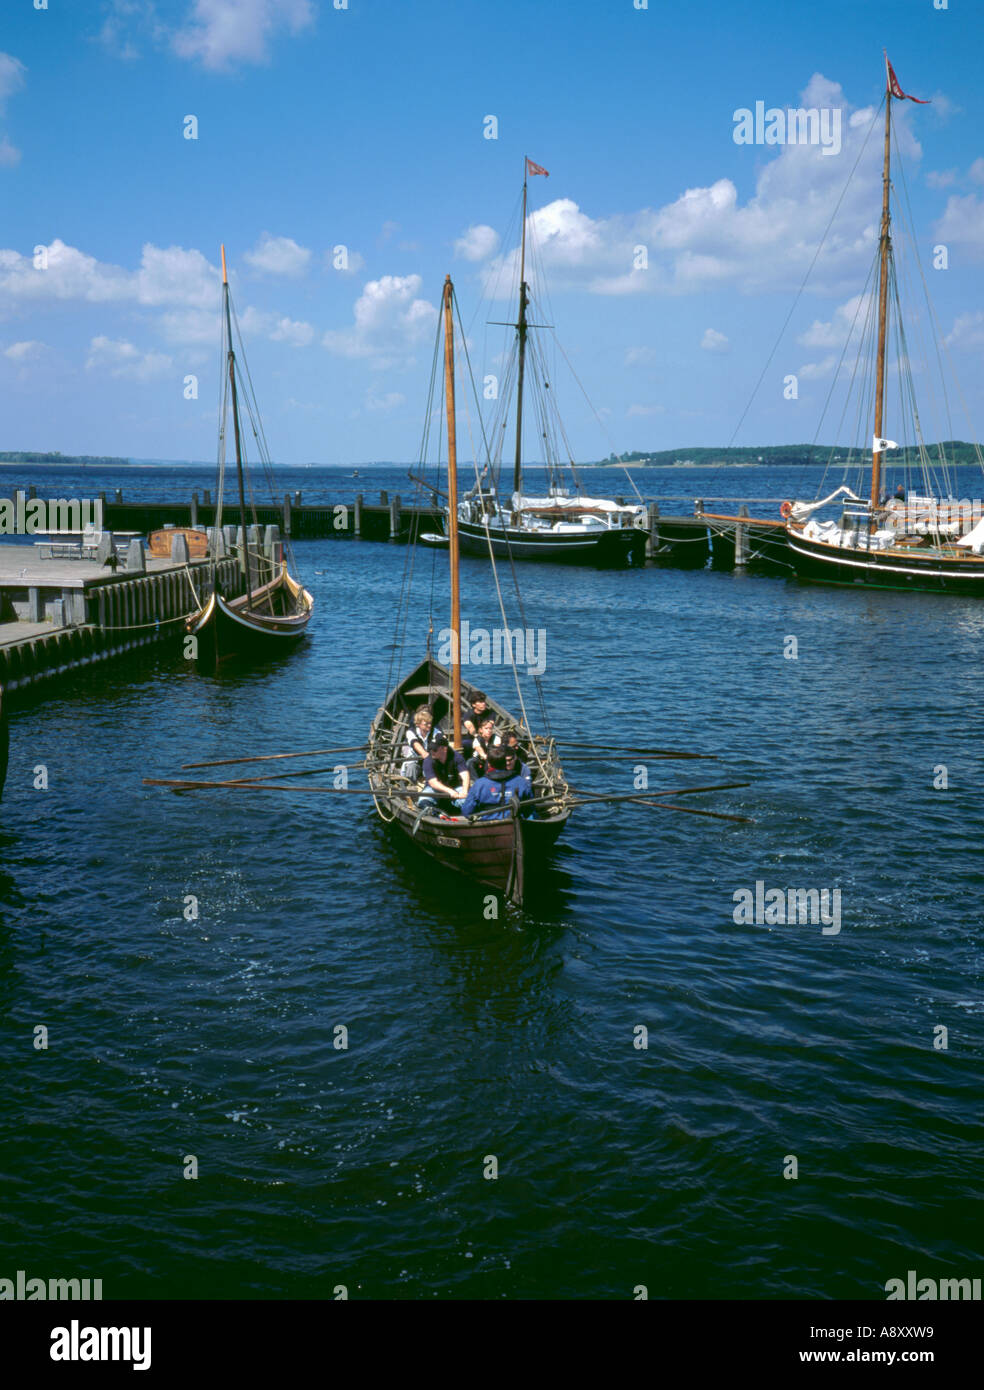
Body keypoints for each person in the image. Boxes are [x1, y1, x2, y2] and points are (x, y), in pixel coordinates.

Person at [461, 749, 532, 820]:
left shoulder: (480, 784)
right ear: (505, 762)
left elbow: (467, 811)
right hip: (514, 820)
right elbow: (530, 807)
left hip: (487, 823)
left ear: (489, 764)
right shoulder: (520, 781)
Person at [418, 735, 470, 814]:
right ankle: (435, 815)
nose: (431, 751)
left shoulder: (457, 757)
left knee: (467, 802)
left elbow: (465, 775)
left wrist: (465, 791)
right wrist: (450, 791)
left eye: (434, 749)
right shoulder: (428, 760)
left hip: (454, 786)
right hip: (435, 789)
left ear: (444, 749)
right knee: (423, 801)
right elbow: (433, 783)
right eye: (430, 749)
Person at [400, 705, 435, 781]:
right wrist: (425, 754)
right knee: (411, 766)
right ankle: (410, 785)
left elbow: (440, 739)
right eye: (426, 724)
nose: (429, 726)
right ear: (418, 724)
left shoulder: (434, 731)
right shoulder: (410, 732)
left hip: (429, 761)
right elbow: (415, 743)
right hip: (415, 760)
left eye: (430, 723)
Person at [466, 714, 496, 780]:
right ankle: (476, 781)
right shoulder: (477, 739)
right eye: (486, 728)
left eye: (490, 728)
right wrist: (486, 757)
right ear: (481, 730)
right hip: (480, 759)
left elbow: (497, 749)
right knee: (470, 762)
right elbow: (480, 751)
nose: (489, 730)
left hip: (493, 758)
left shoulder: (496, 738)